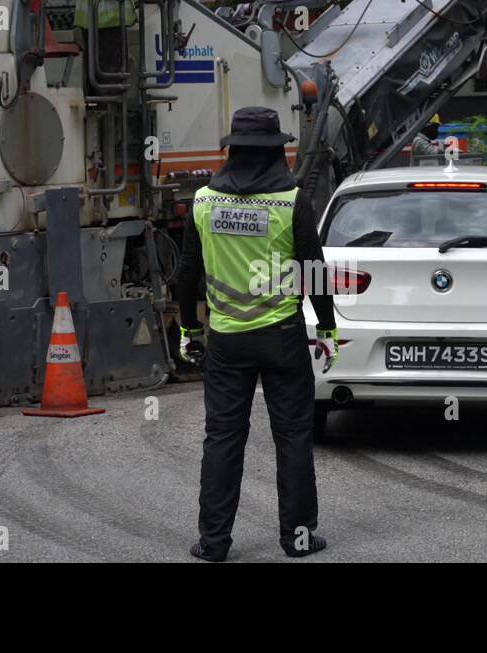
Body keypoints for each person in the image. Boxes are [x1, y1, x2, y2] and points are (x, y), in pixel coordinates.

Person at [176, 106, 339, 562]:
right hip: (282, 338)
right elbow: (314, 272)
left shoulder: (204, 201)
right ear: (275, 153)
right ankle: (298, 538)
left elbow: (187, 273)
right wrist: (326, 327)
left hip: (226, 342)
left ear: (233, 151)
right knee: (292, 437)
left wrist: (189, 326)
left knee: (223, 439)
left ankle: (213, 544)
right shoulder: (291, 202)